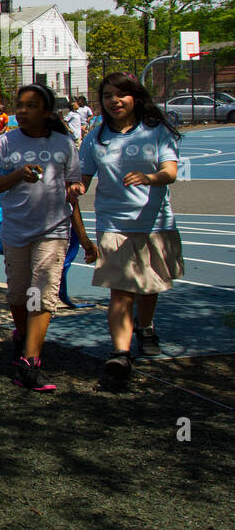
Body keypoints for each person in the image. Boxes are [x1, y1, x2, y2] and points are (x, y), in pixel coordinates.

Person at [67, 72, 183, 392]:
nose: (114, 101)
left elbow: (170, 172)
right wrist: (77, 186)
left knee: (147, 287)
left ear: (135, 97)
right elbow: (83, 177)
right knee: (120, 291)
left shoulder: (156, 131)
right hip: (113, 224)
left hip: (154, 222)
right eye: (107, 96)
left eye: (121, 94)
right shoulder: (96, 137)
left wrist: (150, 178)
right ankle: (120, 353)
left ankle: (146, 328)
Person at [0, 84, 96, 392]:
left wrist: (84, 239)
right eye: (20, 105)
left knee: (43, 293)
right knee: (19, 295)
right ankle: (22, 337)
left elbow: (73, 192)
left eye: (31, 106)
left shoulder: (64, 144)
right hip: (16, 230)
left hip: (53, 230)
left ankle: (30, 364)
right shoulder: (6, 142)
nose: (22, 110)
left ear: (47, 112)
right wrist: (19, 174)